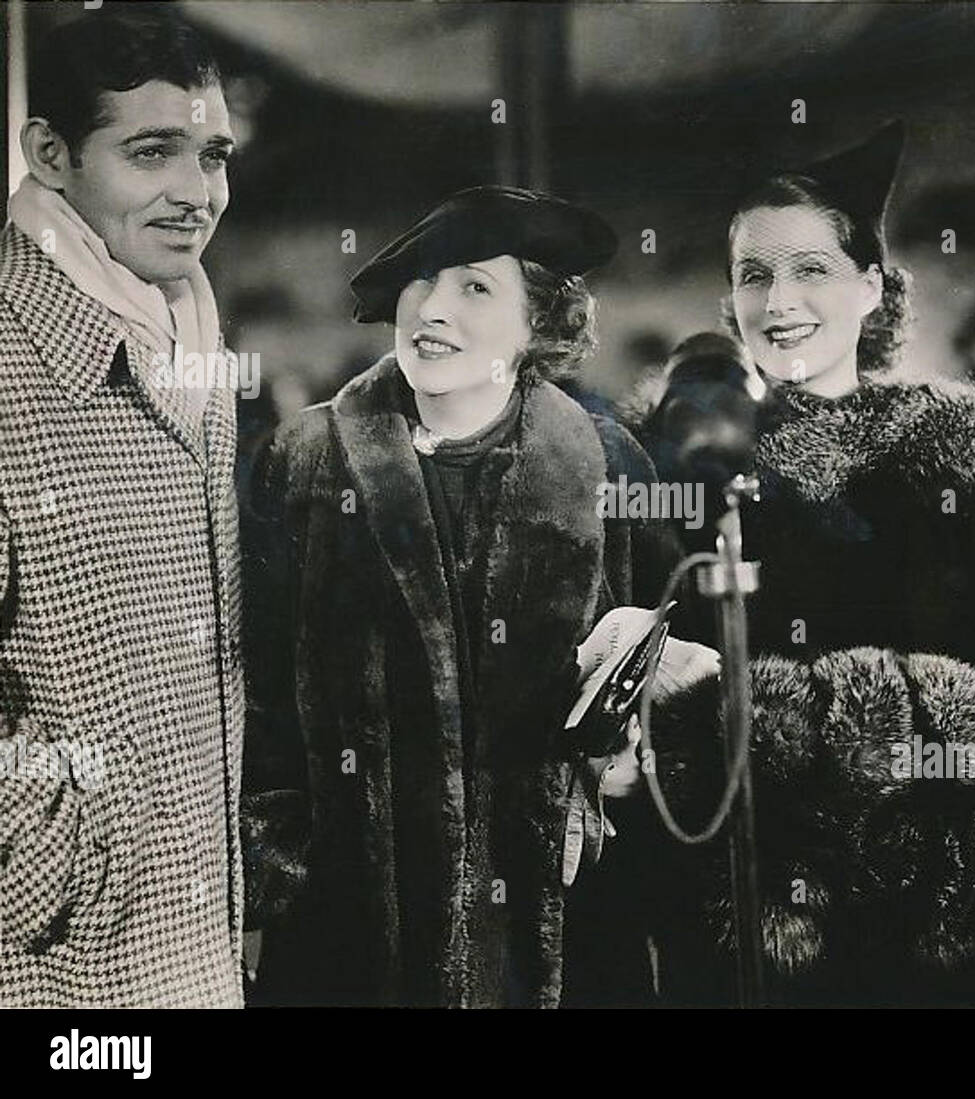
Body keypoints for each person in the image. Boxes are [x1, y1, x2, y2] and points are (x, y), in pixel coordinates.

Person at [645, 122, 975, 1005]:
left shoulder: (971, 461)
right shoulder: (686, 469)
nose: (780, 300)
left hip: (939, 920)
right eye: (754, 275)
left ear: (872, 287)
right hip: (747, 926)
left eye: (812, 269)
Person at [240, 185, 679, 1007]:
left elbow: (657, 661)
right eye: (420, 282)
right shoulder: (305, 462)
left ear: (538, 327)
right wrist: (284, 860)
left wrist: (627, 760)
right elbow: (254, 688)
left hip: (554, 920)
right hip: (357, 925)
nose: (433, 308)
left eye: (475, 286)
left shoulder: (608, 464)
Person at [0, 11, 244, 1006]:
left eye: (213, 155)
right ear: (49, 154)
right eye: (153, 152)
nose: (195, 193)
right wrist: (47, 842)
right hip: (55, 959)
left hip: (191, 927)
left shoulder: (187, 327)